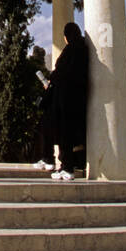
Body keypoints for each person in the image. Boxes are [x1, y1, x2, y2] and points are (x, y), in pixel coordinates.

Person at [46, 22, 88, 180]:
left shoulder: (71, 50)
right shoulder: (83, 49)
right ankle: (70, 165)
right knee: (72, 133)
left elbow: (61, 73)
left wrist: (51, 78)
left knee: (64, 133)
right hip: (77, 98)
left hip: (66, 99)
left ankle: (67, 167)